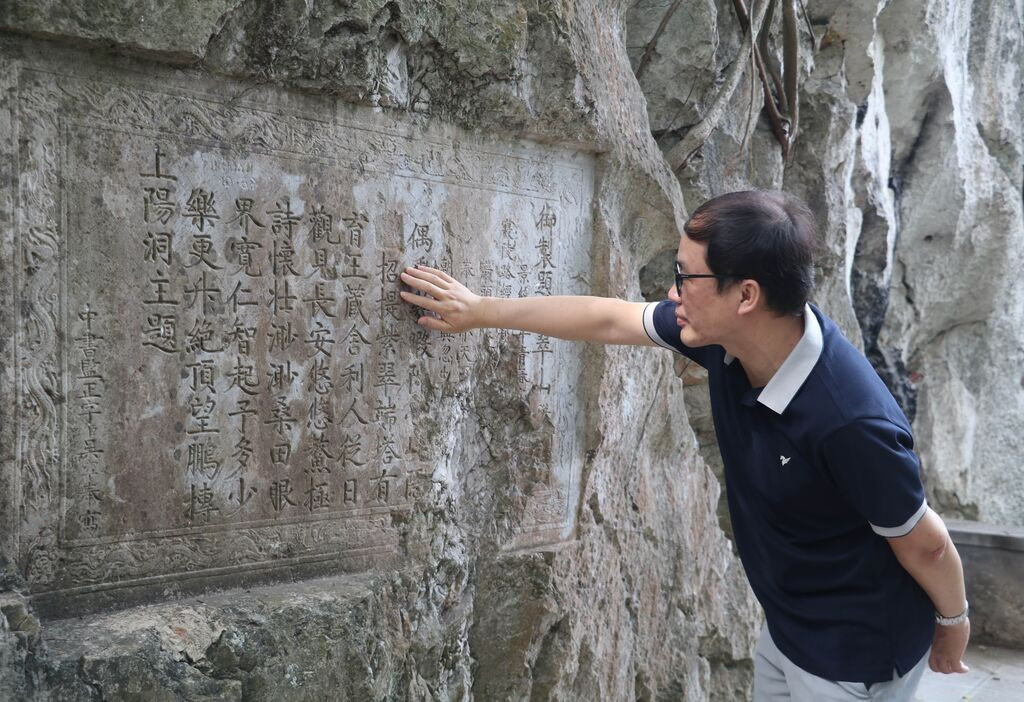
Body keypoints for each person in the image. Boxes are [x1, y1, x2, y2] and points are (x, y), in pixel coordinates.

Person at [397, 190, 970, 701]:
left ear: (746, 294)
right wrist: (480, 311)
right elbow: (610, 320)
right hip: (790, 625)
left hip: (857, 651)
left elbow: (926, 545)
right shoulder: (732, 339)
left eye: (685, 275)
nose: (673, 293)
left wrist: (955, 621)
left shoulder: (850, 422)